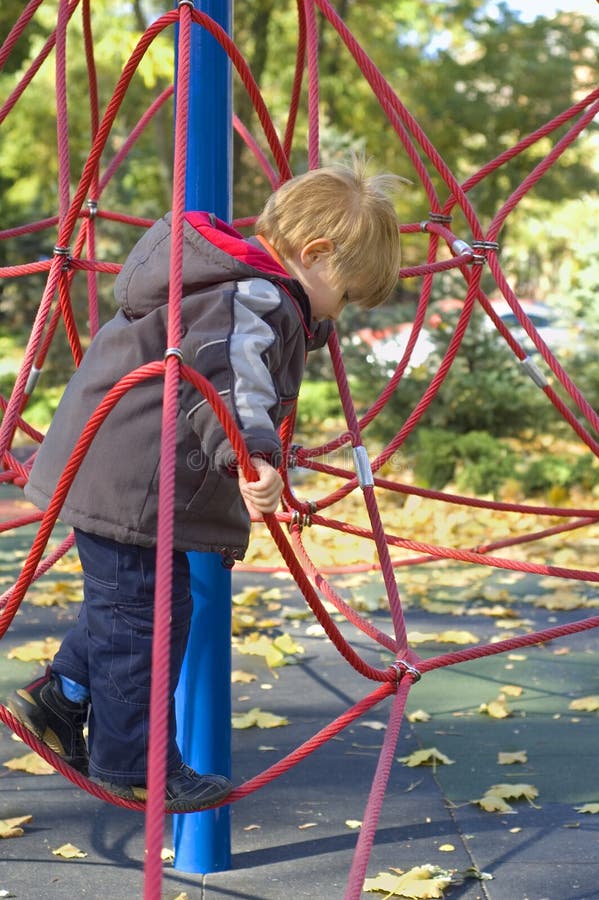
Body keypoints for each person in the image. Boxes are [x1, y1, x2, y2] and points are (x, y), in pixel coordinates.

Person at [7, 161, 402, 813]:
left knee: (130, 604)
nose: (342, 312)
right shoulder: (255, 297)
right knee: (146, 617)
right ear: (316, 253)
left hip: (116, 474)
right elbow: (229, 381)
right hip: (133, 485)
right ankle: (129, 764)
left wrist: (311, 326)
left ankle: (64, 695)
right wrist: (252, 456)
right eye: (348, 294)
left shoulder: (234, 286)